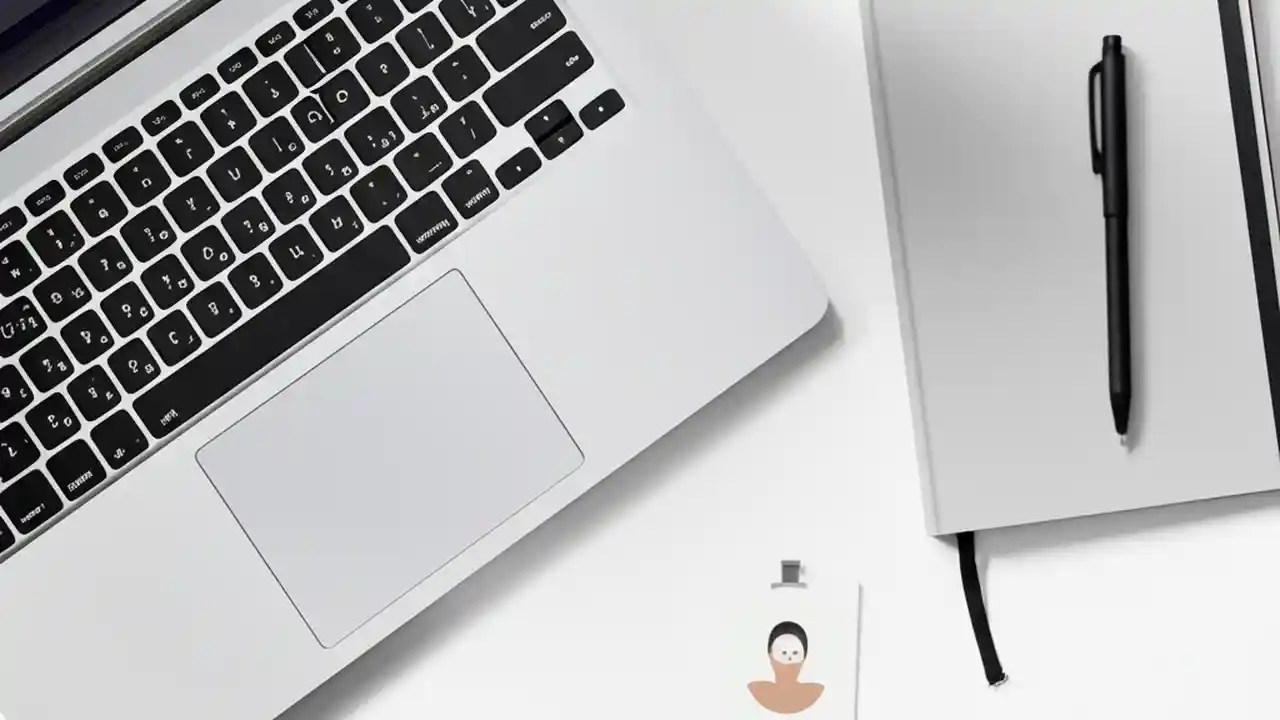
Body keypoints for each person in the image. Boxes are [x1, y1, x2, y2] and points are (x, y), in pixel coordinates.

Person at [748, 621, 826, 714]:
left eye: (795, 653)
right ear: (770, 656)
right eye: (783, 653)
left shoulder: (813, 692)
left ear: (804, 657)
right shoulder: (758, 690)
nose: (789, 660)